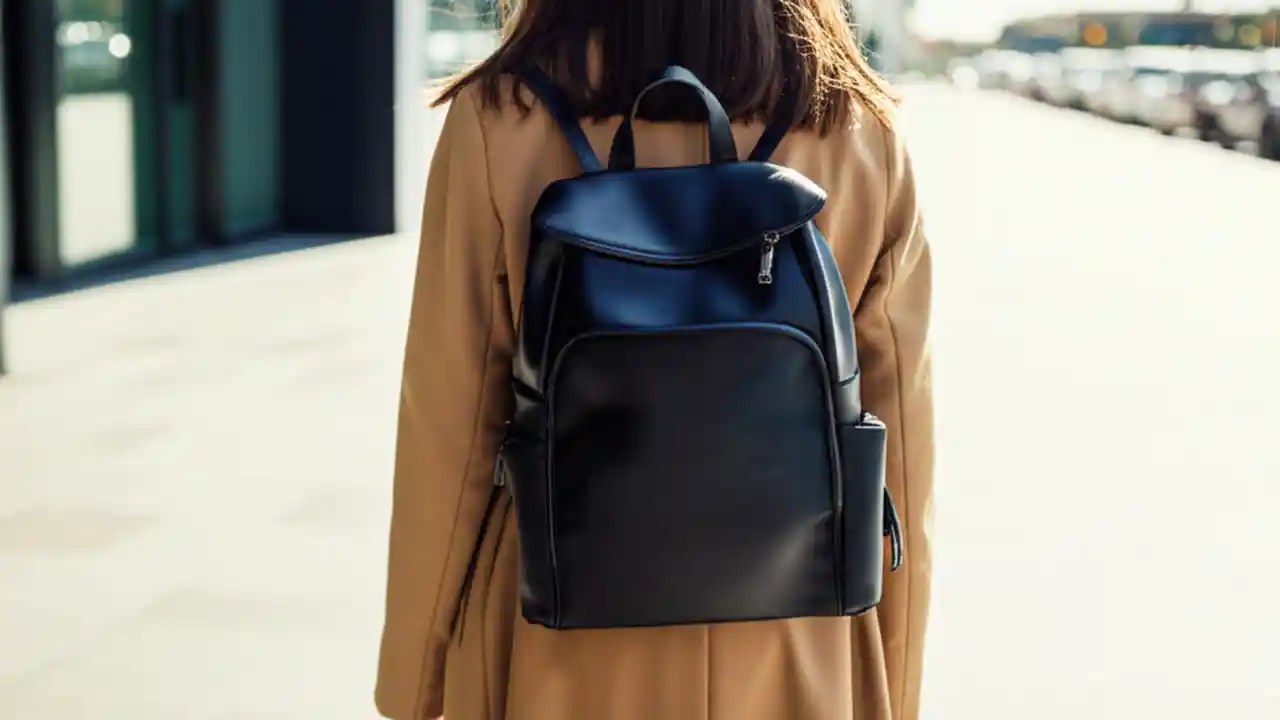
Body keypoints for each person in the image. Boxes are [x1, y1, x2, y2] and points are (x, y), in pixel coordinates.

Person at [375, 1, 934, 718]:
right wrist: (896, 682)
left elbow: (446, 437)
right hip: (801, 635)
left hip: (557, 629)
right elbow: (901, 448)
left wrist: (413, 679)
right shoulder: (856, 125)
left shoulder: (499, 115)